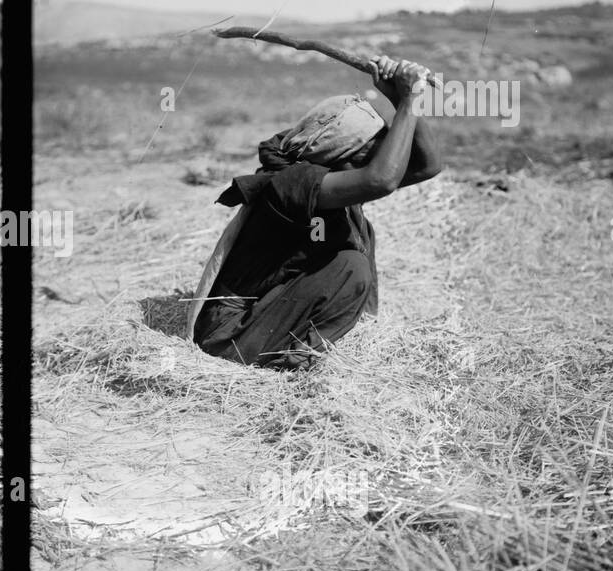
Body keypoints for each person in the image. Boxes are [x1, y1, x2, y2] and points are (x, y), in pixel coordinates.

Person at [188, 55, 442, 370]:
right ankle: (299, 359)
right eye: (370, 154)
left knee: (361, 232)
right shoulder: (294, 184)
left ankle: (350, 330)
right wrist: (409, 100)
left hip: (262, 315)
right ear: (342, 158)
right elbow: (381, 179)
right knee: (350, 267)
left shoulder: (329, 177)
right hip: (230, 335)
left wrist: (399, 99)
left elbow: (427, 166)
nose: (377, 160)